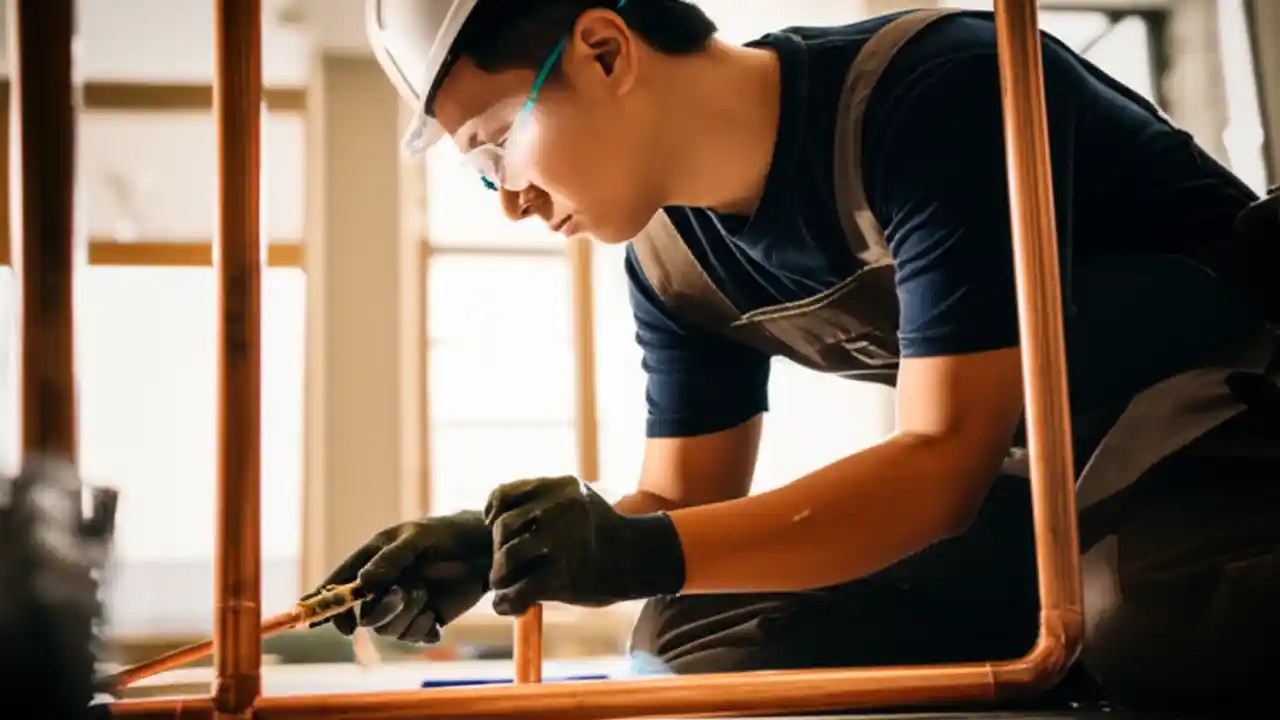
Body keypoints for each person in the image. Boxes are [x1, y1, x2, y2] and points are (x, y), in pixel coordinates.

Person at [312, 0, 1280, 708]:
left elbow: (940, 461)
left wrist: (634, 549)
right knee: (703, 637)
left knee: (1161, 622)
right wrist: (503, 548)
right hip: (1048, 478)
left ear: (605, 51)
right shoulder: (671, 261)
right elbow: (683, 503)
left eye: (493, 145)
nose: (510, 197)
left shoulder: (932, 88)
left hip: (1234, 423)